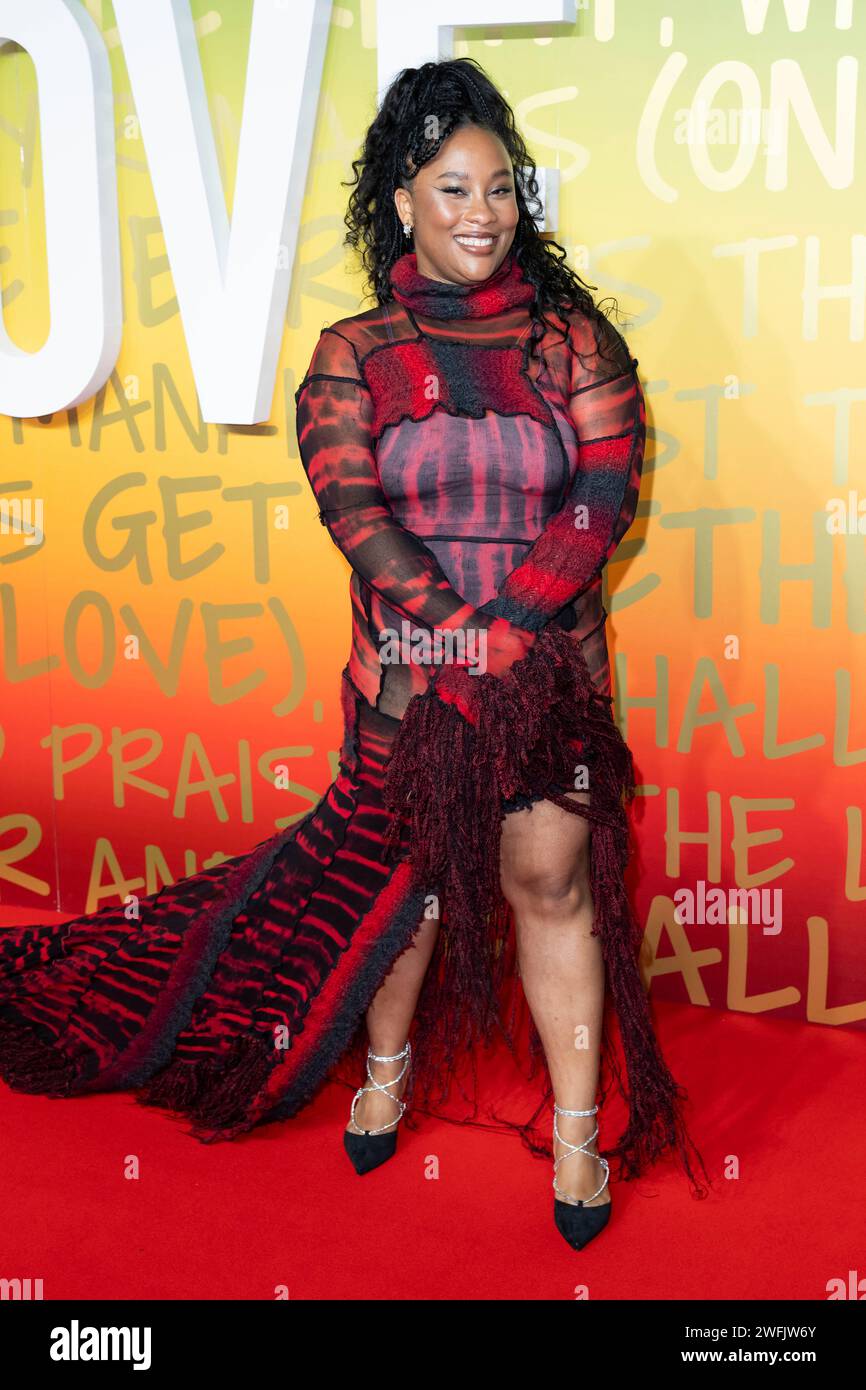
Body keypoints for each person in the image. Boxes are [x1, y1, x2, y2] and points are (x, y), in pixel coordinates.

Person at [0, 57, 709, 1253]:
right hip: (403, 683)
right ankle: (381, 1066)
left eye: (498, 187)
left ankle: (579, 1134)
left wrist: (504, 635)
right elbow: (353, 510)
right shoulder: (351, 349)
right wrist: (451, 638)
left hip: (547, 684)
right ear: (401, 200)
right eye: (451, 187)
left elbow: (601, 499)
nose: (480, 212)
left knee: (551, 886)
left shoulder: (575, 340)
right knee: (405, 893)